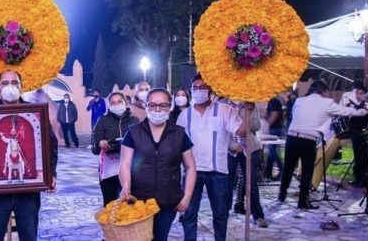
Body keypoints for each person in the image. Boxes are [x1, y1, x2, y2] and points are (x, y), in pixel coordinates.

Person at [0, 70, 58, 241]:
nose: (10, 87)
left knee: (29, 236)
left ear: (21, 86)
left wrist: (51, 174)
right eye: (5, 83)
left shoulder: (36, 113)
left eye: (15, 82)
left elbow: (51, 145)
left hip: (28, 193)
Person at [176, 74, 252, 241]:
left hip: (218, 171)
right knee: (189, 213)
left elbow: (241, 132)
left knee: (220, 213)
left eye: (202, 87)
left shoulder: (225, 110)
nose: (198, 91)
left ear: (210, 90)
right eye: (195, 88)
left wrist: (248, 112)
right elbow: (178, 143)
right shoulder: (184, 116)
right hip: (192, 172)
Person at [278, 80, 368, 209]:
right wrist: (365, 111)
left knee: (288, 168)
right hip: (308, 139)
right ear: (323, 91)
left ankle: (281, 195)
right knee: (307, 171)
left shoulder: (299, 101)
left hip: (292, 136)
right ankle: (302, 202)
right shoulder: (326, 103)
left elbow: (296, 115)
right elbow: (346, 111)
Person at [120, 88, 196, 241]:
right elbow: (125, 163)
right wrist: (126, 186)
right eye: (152, 105)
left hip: (168, 200)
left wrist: (187, 196)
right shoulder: (133, 133)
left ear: (170, 106)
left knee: (160, 238)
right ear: (146, 106)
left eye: (163, 105)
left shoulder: (179, 134)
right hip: (138, 199)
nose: (157, 109)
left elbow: (190, 167)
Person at [91, 92, 139, 206]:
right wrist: (100, 143)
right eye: (113, 102)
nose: (116, 104)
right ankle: (111, 224)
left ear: (125, 103)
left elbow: (141, 143)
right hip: (109, 171)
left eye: (119, 101)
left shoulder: (134, 121)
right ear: (109, 105)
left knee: (130, 204)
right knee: (110, 205)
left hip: (131, 170)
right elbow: (94, 147)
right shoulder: (102, 121)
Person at [227, 102, 268, 228]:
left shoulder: (251, 104)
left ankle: (258, 215)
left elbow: (256, 126)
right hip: (229, 149)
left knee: (251, 184)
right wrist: (233, 146)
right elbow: (221, 130)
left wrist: (248, 112)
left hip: (250, 148)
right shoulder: (224, 105)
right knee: (226, 183)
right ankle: (223, 212)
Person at [340, 81, 368, 187]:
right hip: (356, 133)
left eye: (361, 93)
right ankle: (358, 179)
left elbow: (364, 118)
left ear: (366, 95)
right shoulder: (360, 104)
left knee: (363, 158)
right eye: (357, 93)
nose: (358, 96)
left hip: (361, 134)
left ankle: (363, 180)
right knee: (358, 157)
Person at [264, 96, 285, 181]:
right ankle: (268, 173)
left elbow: (274, 115)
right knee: (271, 151)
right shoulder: (274, 101)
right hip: (275, 128)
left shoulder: (273, 102)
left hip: (274, 129)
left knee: (271, 151)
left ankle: (281, 168)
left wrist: (266, 126)